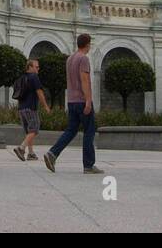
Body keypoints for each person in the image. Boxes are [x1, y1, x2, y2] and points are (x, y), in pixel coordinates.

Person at [44, 34, 102, 174]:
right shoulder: (83, 59)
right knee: (89, 131)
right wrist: (88, 100)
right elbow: (85, 80)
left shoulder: (70, 59)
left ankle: (52, 153)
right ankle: (88, 165)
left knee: (71, 130)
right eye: (90, 44)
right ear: (87, 44)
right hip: (82, 101)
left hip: (71, 101)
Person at [12, 58, 51, 161]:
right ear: (30, 67)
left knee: (29, 132)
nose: (38, 68)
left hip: (21, 108)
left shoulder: (22, 77)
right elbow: (39, 92)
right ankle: (21, 148)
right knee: (34, 129)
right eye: (36, 66)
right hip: (31, 108)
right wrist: (46, 106)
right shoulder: (34, 77)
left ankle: (31, 153)